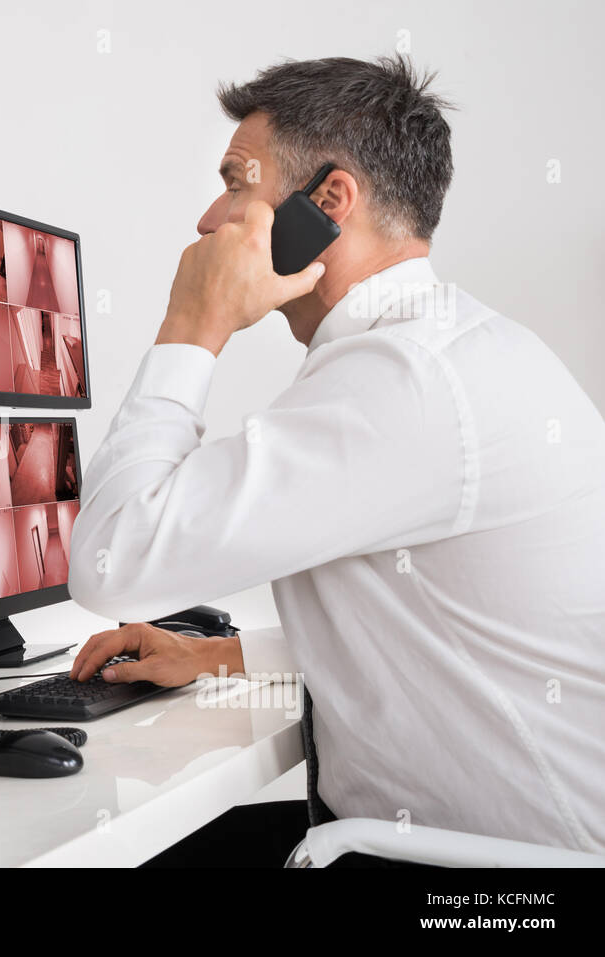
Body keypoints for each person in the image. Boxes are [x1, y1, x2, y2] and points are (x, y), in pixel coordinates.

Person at [67, 55, 605, 862]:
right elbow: (433, 632)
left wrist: (193, 322)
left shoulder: (405, 382)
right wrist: (217, 656)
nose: (211, 219)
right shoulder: (447, 348)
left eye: (235, 183)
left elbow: (111, 559)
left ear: (328, 202)